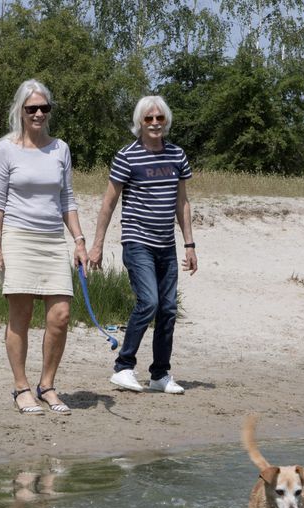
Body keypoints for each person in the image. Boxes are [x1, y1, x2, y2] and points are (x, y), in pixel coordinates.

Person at [0, 79, 88, 415]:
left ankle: (47, 385)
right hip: (18, 238)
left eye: (45, 108)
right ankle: (21, 388)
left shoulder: (61, 149)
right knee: (22, 316)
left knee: (61, 315)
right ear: (20, 111)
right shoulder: (5, 149)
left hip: (53, 240)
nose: (39, 113)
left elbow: (67, 199)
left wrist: (79, 240)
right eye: (32, 109)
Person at [88, 95, 197, 394]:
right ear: (139, 122)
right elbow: (109, 203)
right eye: (148, 119)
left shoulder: (177, 155)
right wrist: (96, 245)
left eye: (159, 118)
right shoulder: (127, 156)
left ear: (166, 121)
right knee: (149, 301)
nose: (154, 123)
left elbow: (182, 202)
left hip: (167, 245)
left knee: (169, 309)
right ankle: (123, 367)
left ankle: (160, 375)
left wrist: (190, 244)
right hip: (137, 242)